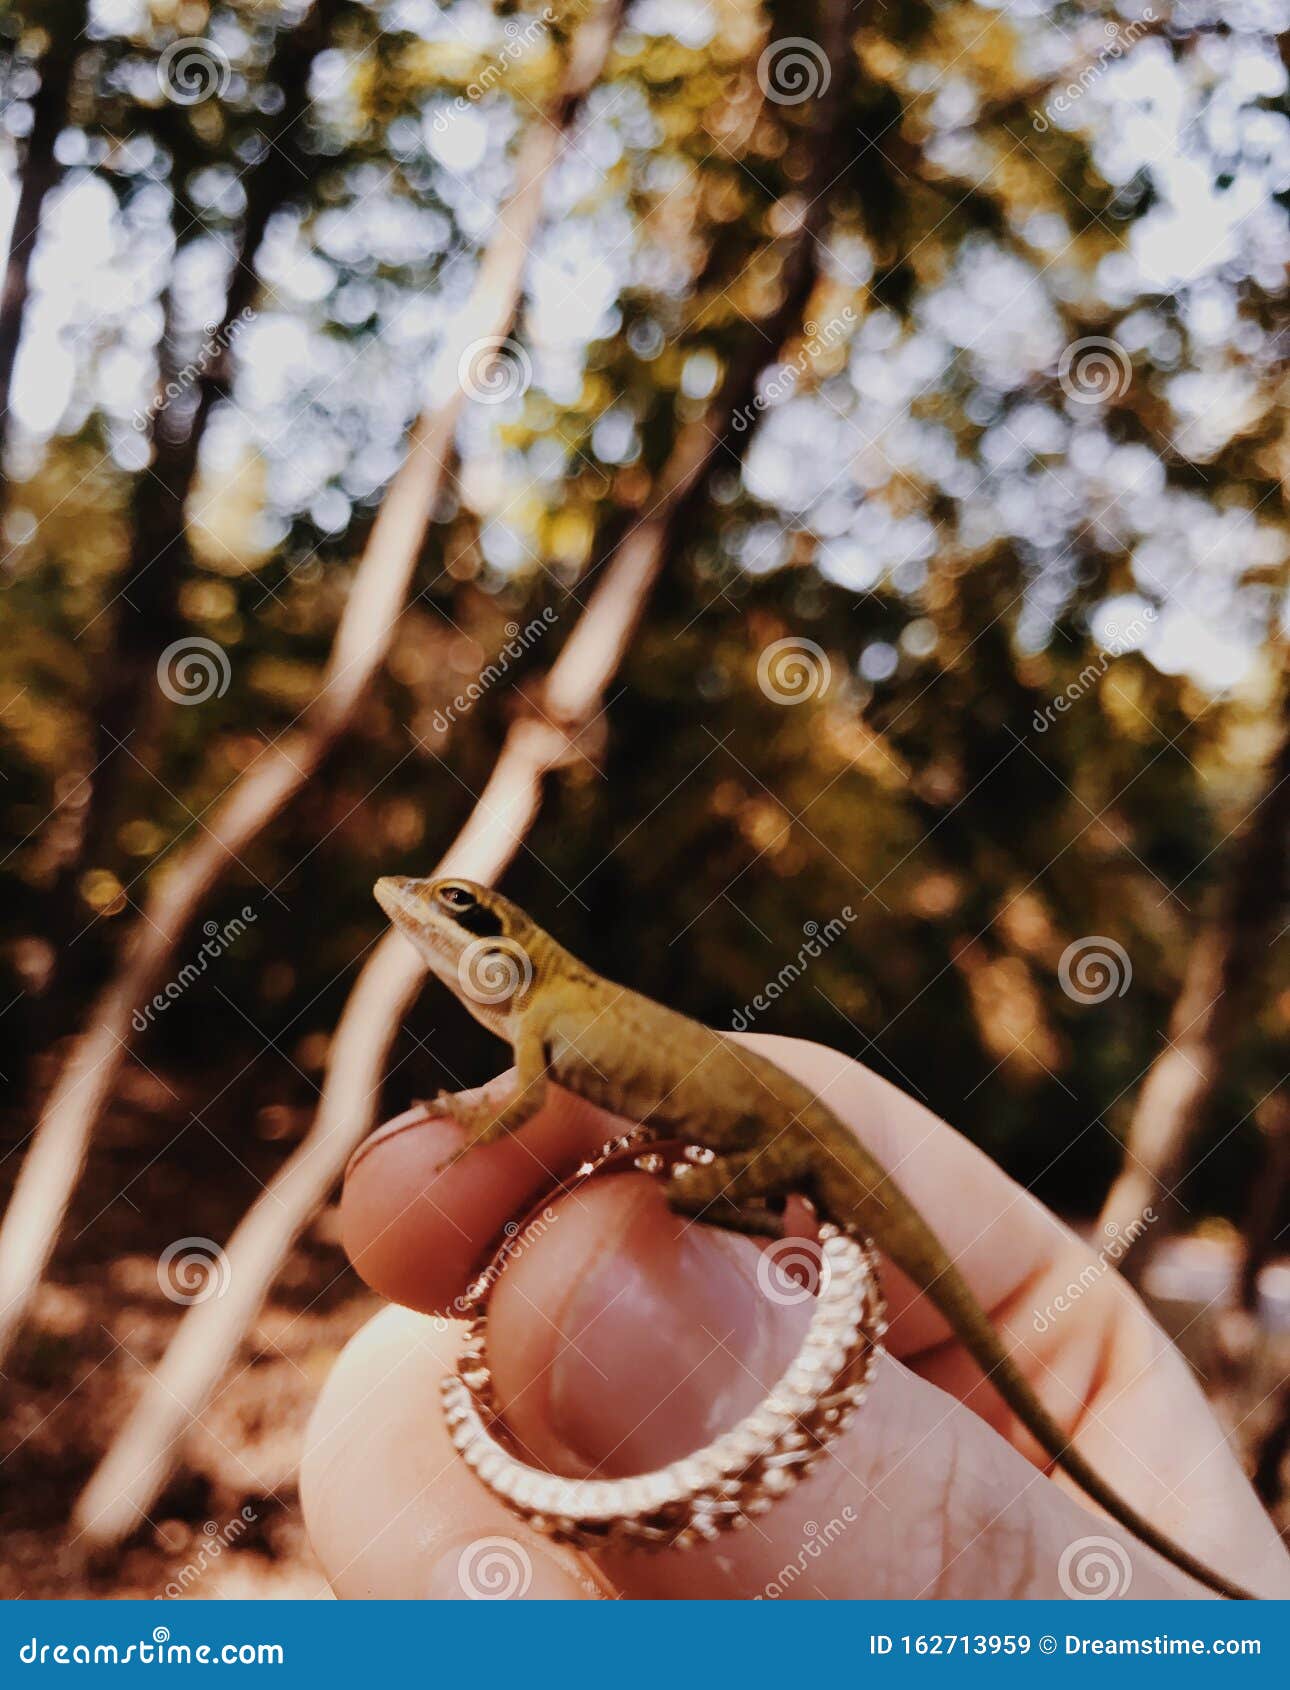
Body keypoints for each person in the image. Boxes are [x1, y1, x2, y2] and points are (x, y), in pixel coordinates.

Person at [302, 1036, 1289, 1600]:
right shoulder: (554, 1029)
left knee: (667, 1226)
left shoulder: (549, 1026)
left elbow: (520, 1106)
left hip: (781, 1145)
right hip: (777, 1141)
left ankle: (721, 1233)